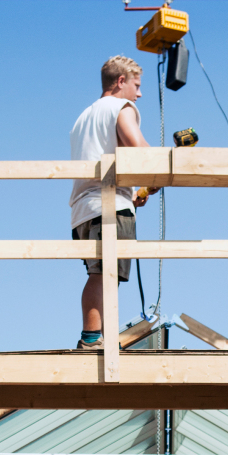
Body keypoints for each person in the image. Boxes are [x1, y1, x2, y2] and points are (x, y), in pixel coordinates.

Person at [70, 56, 156, 350]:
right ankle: (92, 339)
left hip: (85, 208)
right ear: (121, 81)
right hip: (108, 206)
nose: (139, 94)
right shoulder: (123, 107)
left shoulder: (84, 117)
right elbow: (137, 148)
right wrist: (159, 168)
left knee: (101, 273)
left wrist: (133, 189)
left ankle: (100, 339)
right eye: (137, 85)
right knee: (103, 274)